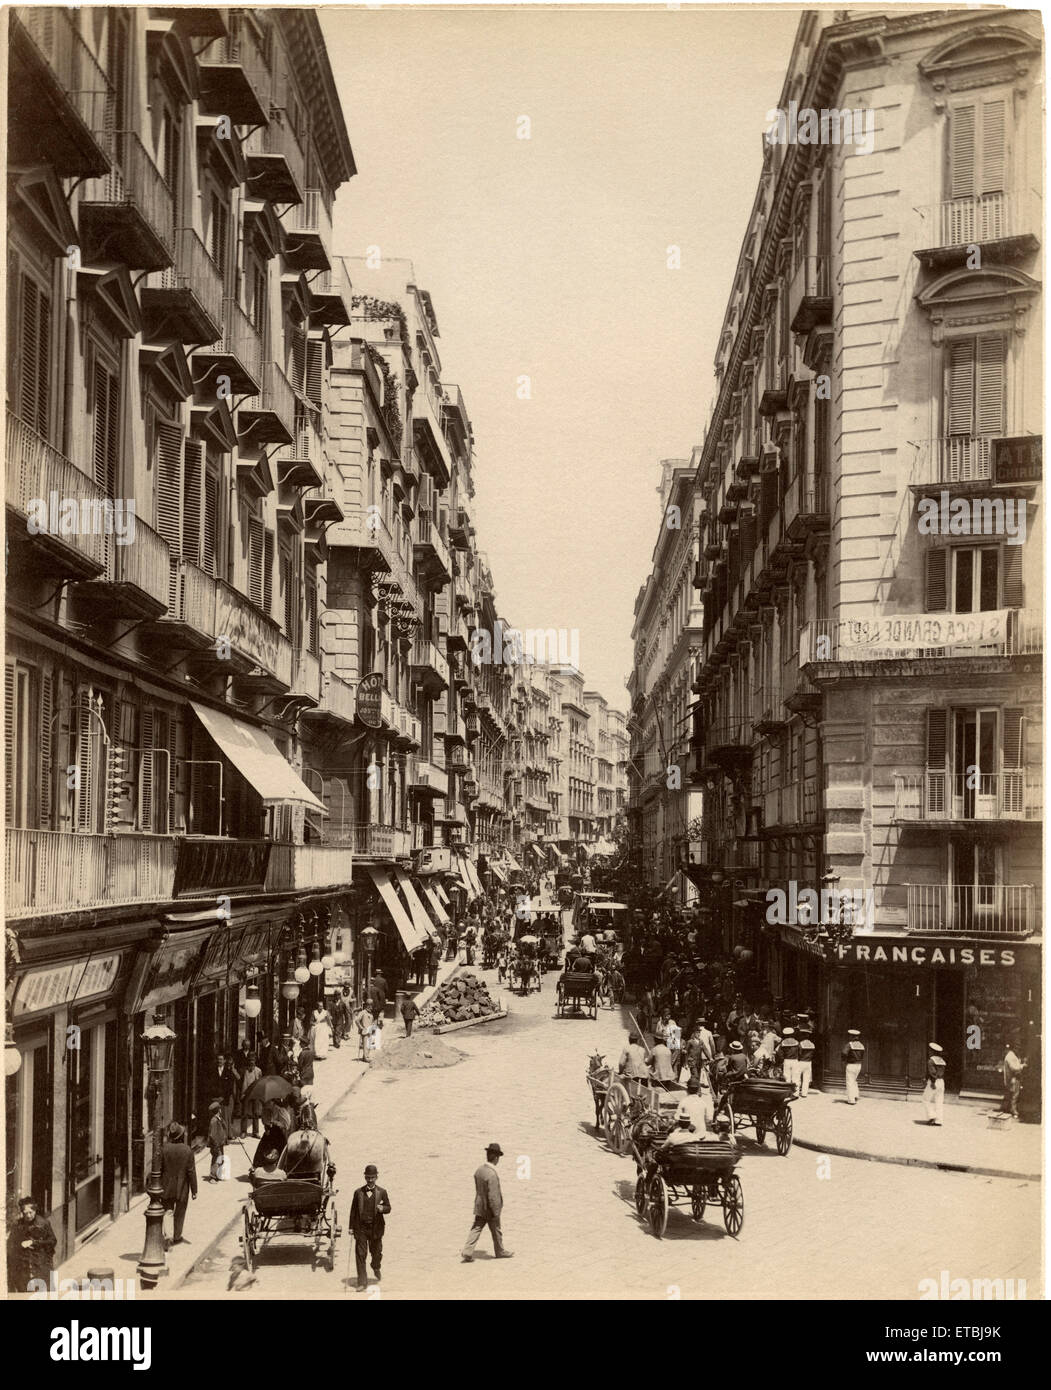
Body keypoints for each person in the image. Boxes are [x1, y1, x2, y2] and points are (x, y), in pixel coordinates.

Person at [461, 1143, 513, 1262]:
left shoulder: (479, 1170)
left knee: (476, 1227)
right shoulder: (492, 1174)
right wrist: (496, 1211)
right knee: (496, 1229)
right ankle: (500, 1251)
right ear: (496, 1158)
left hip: (480, 1205)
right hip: (490, 1208)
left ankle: (467, 1251)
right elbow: (493, 1196)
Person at [350, 1164, 391, 1291]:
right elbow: (353, 1211)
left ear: (376, 1177)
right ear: (365, 1177)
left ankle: (376, 1266)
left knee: (376, 1253)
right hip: (361, 1228)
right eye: (368, 1177)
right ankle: (362, 1282)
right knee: (360, 1254)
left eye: (372, 1177)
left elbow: (389, 1207)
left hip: (376, 1228)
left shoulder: (382, 1192)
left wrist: (383, 1208)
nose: (370, 1180)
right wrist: (351, 1227)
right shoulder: (358, 1192)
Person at [6, 1196, 57, 1292]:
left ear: (35, 1211)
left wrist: (35, 1243)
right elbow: (11, 1245)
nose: (28, 1216)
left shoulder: (44, 1224)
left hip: (41, 1266)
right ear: (22, 1212)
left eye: (31, 1212)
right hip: (24, 1268)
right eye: (25, 1213)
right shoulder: (18, 1226)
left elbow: (52, 1241)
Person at [161, 1121, 198, 1247]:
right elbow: (191, 1171)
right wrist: (194, 1190)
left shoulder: (164, 1149)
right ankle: (177, 1236)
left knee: (168, 1211)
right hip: (182, 1187)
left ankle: (168, 1236)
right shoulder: (187, 1150)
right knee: (180, 1212)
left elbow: (159, 1169)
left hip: (166, 1185)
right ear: (181, 1136)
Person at [923, 1042, 946, 1126]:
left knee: (925, 1099)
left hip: (934, 1081)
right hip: (941, 1081)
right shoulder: (942, 1061)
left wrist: (932, 1082)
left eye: (930, 1050)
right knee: (939, 1101)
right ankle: (939, 1120)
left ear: (932, 1051)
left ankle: (932, 1116)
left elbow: (933, 1072)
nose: (929, 1051)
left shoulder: (931, 1060)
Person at [240, 1055, 263, 1138]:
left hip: (255, 1093)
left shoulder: (258, 1071)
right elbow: (241, 1082)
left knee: (256, 1113)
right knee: (244, 1113)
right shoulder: (244, 1071)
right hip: (246, 1093)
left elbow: (260, 1082)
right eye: (250, 1060)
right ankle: (243, 1131)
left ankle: (255, 1132)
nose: (251, 1062)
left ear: (255, 1061)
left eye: (253, 1060)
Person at [1002, 1042, 1026, 1118]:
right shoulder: (1010, 1056)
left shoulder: (1012, 1056)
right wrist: (1022, 1066)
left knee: (1012, 1095)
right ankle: (1013, 1111)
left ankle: (1009, 1110)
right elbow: (1014, 1068)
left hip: (1013, 1078)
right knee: (1014, 1095)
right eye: (1017, 1048)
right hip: (1013, 1079)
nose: (1018, 1050)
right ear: (1013, 1048)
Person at [206, 1100, 227, 1181]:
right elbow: (213, 1135)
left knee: (221, 1159)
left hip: (220, 1143)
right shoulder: (214, 1121)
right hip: (216, 1144)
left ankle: (218, 1175)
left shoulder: (218, 1119)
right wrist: (216, 1145)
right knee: (216, 1160)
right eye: (220, 1109)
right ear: (219, 1110)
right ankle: (212, 1177)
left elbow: (224, 1127)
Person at [842, 1029, 864, 1104]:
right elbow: (862, 1055)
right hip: (859, 1065)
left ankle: (851, 1100)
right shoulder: (861, 1045)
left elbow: (844, 1053)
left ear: (852, 1036)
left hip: (851, 1065)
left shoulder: (849, 1044)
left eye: (850, 1036)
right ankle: (856, 1095)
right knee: (854, 1080)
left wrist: (844, 1060)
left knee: (850, 1082)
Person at [777, 1026, 800, 1097]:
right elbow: (800, 1051)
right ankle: (796, 1093)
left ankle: (788, 1093)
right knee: (796, 1077)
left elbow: (779, 1053)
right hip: (795, 1061)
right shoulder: (796, 1042)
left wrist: (782, 1059)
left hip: (786, 1060)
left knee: (787, 1077)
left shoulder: (783, 1043)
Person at [797, 1032, 815, 1098]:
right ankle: (804, 1094)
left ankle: (796, 1093)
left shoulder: (800, 1044)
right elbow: (813, 1054)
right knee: (806, 1079)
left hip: (801, 1062)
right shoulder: (812, 1044)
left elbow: (799, 1053)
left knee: (798, 1078)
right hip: (808, 1062)